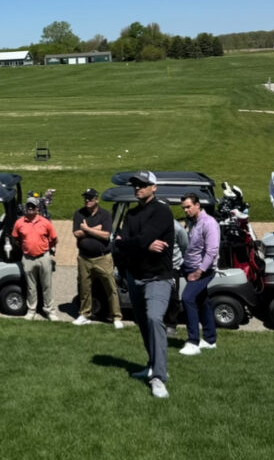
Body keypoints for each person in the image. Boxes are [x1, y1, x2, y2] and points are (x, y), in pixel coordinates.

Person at [114, 170, 174, 399]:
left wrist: (128, 243)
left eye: (142, 184)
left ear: (154, 187)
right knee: (143, 324)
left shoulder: (162, 211)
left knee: (154, 319)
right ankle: (151, 363)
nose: (137, 188)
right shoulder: (131, 215)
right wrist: (142, 245)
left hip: (158, 277)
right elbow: (119, 245)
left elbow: (129, 241)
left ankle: (159, 377)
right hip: (135, 276)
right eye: (135, 185)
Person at [72, 188, 123, 329]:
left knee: (111, 288)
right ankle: (84, 314)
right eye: (86, 198)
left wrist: (87, 229)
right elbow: (77, 233)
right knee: (84, 287)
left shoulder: (105, 214)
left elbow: (106, 235)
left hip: (103, 258)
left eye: (90, 198)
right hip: (84, 258)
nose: (87, 200)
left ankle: (116, 316)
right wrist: (97, 229)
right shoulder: (79, 213)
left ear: (96, 200)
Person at [178, 193, 220, 356]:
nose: (186, 210)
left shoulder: (209, 223)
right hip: (190, 268)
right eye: (184, 208)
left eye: (188, 207)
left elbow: (212, 251)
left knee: (188, 298)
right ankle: (210, 339)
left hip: (203, 270)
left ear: (197, 205)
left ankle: (193, 342)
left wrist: (198, 272)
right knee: (203, 301)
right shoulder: (193, 222)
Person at [11, 195, 58, 321]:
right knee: (31, 287)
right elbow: (15, 238)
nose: (30, 209)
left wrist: (47, 248)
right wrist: (24, 247)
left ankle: (50, 311)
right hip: (27, 258)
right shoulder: (20, 222)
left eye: (32, 206)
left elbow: (54, 239)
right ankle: (31, 310)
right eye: (28, 206)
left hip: (43, 257)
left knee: (46, 285)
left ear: (37, 208)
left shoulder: (45, 222)